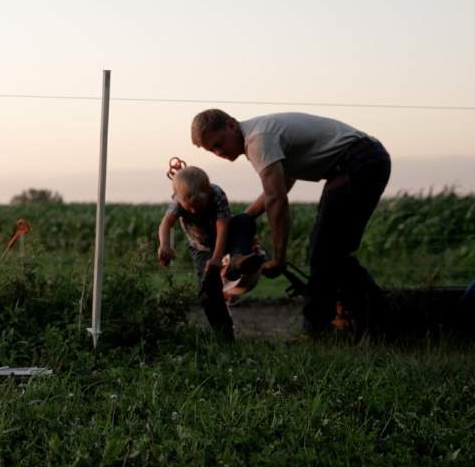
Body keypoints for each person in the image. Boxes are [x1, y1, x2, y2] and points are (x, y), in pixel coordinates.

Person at [190, 110, 391, 339]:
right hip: (360, 160)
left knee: (326, 250)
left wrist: (278, 257)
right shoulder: (260, 134)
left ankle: (323, 330)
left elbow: (277, 198)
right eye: (212, 150)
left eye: (219, 144)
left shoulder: (258, 141)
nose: (219, 153)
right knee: (331, 252)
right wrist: (246, 217)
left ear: (232, 125)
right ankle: (364, 324)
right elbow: (283, 182)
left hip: (359, 162)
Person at [156, 159, 264, 341]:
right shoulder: (177, 200)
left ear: (208, 194)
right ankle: (224, 335)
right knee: (208, 290)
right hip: (201, 248)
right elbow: (166, 223)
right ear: (178, 198)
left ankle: (237, 260)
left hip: (225, 239)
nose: (194, 211)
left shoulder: (217, 194)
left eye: (199, 207)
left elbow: (223, 227)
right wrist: (165, 245)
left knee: (245, 220)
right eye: (189, 208)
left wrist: (217, 258)